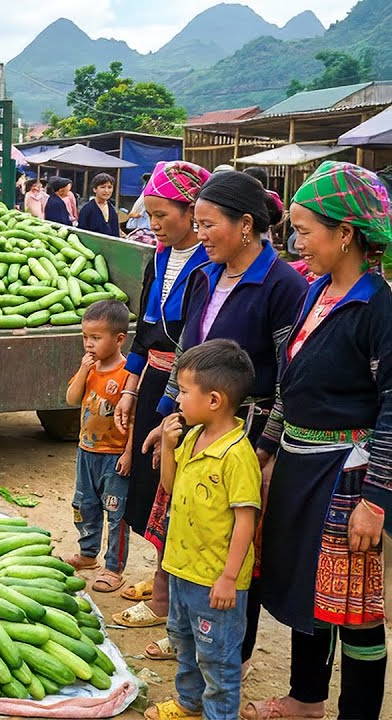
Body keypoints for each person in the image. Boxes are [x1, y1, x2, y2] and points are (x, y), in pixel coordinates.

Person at [137, 170, 308, 670]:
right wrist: (167, 415)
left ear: (247, 225)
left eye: (210, 224)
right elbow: (189, 352)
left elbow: (287, 376)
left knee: (234, 542)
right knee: (187, 529)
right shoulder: (205, 274)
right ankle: (187, 635)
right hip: (196, 428)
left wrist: (266, 447)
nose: (202, 233)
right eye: (200, 222)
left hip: (244, 435)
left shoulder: (282, 285)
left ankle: (230, 652)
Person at [244, 161, 392, 720]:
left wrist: (375, 501)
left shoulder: (379, 307)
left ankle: (358, 712)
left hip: (349, 476)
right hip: (299, 464)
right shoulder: (315, 293)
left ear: (346, 233)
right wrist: (267, 449)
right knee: (310, 590)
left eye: (305, 231)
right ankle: (307, 699)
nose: (295, 241)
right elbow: (289, 382)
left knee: (353, 608)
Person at [110, 161, 213, 651]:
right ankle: (161, 579)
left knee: (178, 489)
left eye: (161, 215)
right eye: (148, 216)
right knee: (152, 487)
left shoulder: (208, 265)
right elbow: (143, 329)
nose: (153, 225)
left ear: (192, 211)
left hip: (188, 390)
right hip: (153, 379)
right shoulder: (157, 258)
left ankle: (167, 600)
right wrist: (130, 386)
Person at [144, 340, 260, 720]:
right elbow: (169, 487)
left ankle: (218, 714)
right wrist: (168, 443)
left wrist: (229, 577)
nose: (176, 399)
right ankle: (188, 703)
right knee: (183, 640)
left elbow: (246, 519)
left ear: (214, 400)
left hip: (215, 582)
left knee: (218, 657)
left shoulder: (237, 456)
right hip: (180, 568)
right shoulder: (192, 437)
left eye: (183, 391)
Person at [64, 299, 133, 593]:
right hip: (86, 451)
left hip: (114, 455)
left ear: (119, 339)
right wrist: (83, 370)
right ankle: (88, 554)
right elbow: (71, 398)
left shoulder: (129, 374)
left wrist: (129, 453)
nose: (88, 344)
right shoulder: (89, 369)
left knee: (116, 512)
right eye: (85, 337)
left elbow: (134, 418)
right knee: (85, 505)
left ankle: (114, 568)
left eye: (96, 338)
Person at [78, 172, 120, 237]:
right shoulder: (87, 209)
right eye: (102, 187)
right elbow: (81, 233)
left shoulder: (112, 210)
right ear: (95, 189)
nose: (106, 191)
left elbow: (116, 234)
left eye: (109, 187)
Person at [125, 172, 153, 239]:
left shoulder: (148, 196)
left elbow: (137, 214)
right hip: (139, 227)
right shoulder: (145, 195)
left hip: (144, 228)